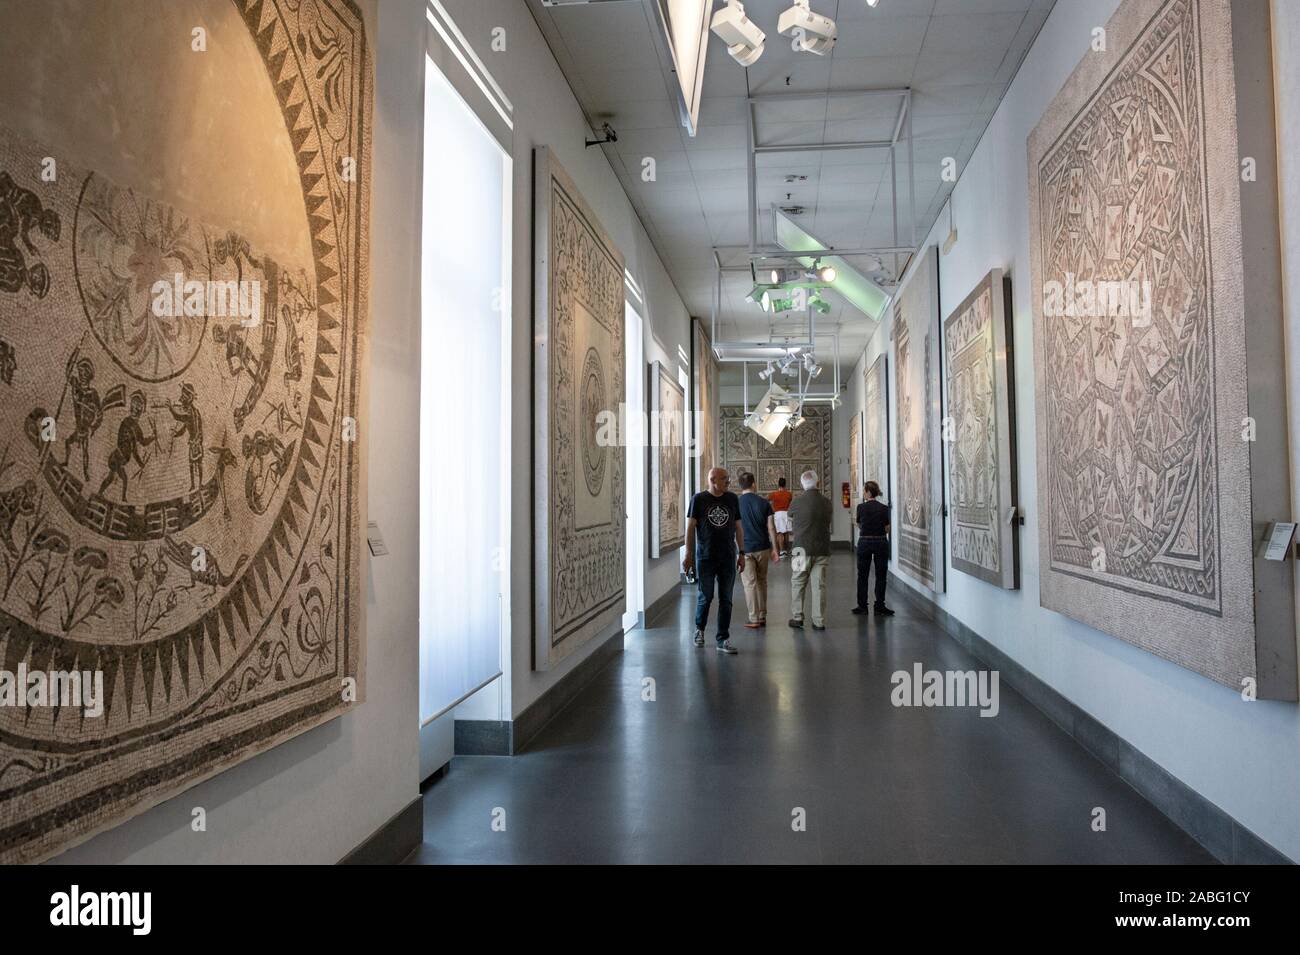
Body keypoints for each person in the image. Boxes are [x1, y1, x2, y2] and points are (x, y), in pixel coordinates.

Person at [683, 467, 744, 654]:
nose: (728, 481)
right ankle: (699, 630)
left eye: (728, 478)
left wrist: (742, 553)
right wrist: (688, 554)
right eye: (724, 478)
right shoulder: (698, 499)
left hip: (727, 557)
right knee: (706, 596)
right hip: (706, 557)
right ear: (713, 480)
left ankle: (722, 639)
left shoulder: (732, 499)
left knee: (726, 599)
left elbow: (738, 527)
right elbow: (690, 528)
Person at [786, 469, 832, 632]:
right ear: (818, 483)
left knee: (798, 582)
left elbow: (790, 519)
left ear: (802, 484)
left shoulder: (796, 502)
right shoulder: (827, 502)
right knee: (819, 585)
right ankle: (818, 621)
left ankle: (797, 617)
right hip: (822, 548)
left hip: (800, 548)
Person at [736, 471, 779, 629]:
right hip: (763, 547)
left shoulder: (736, 503)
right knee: (762, 581)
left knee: (750, 584)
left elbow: (734, 528)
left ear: (740, 486)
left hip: (744, 549)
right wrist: (775, 549)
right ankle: (762, 616)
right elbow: (771, 527)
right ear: (754, 484)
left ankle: (753, 618)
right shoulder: (764, 503)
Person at [853, 480, 895, 616]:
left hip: (864, 542)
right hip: (881, 542)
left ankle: (862, 606)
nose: (863, 493)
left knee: (862, 575)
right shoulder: (883, 508)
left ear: (868, 492)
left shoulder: (861, 507)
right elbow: (887, 528)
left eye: (864, 491)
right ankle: (879, 606)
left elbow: (859, 524)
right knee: (881, 575)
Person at [768, 477, 793, 556]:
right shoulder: (789, 494)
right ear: (785, 484)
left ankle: (782, 551)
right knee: (786, 533)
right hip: (787, 514)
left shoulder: (773, 494)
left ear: (778, 484)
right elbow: (791, 503)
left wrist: (772, 507)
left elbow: (767, 501)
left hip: (778, 514)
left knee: (779, 533)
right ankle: (787, 550)